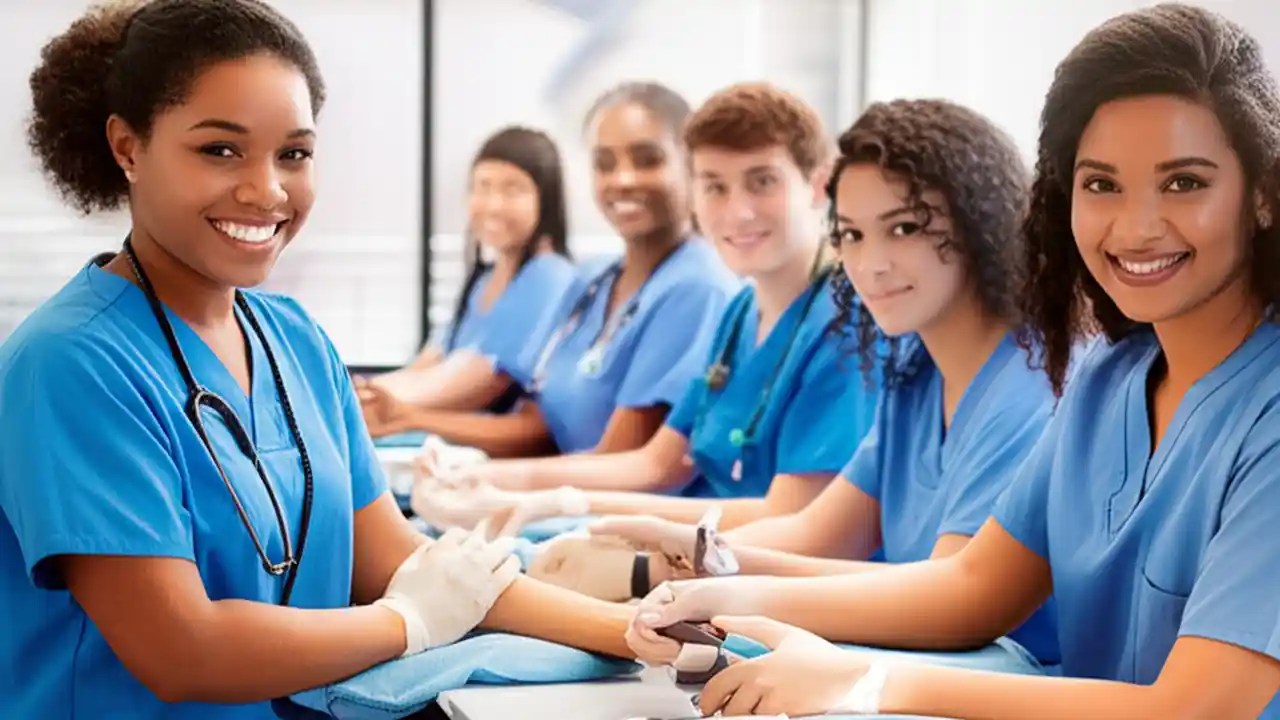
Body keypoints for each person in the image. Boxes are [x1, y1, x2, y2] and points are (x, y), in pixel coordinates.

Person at [626, 5, 1280, 718]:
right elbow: (973, 589)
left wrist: (869, 683)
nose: (1137, 226)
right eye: (1101, 184)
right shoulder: (1108, 376)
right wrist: (723, 591)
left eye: (1184, 183)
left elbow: (1194, 709)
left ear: (1263, 195)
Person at [0, 3, 634, 717]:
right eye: (220, 150)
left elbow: (396, 561)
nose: (267, 190)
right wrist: (405, 624)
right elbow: (181, 650)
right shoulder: (69, 365)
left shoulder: (295, 341)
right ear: (128, 148)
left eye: (293, 155)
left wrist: (640, 630)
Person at [589, 96, 1059, 663]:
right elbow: (820, 532)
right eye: (852, 235)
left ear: (981, 224)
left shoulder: (1029, 385)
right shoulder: (915, 373)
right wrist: (701, 555)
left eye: (904, 228)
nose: (870, 265)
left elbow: (951, 597)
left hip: (995, 673)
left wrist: (736, 590)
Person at [410, 83, 880, 543]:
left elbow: (790, 516)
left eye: (762, 182)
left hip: (755, 569)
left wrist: (566, 504)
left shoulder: (845, 323)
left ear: (819, 185)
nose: (737, 212)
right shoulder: (742, 313)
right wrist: (491, 480)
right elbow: (656, 463)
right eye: (714, 187)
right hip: (705, 552)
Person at [360, 81, 740, 458]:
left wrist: (482, 477)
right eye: (604, 164)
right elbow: (537, 429)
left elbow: (622, 463)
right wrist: (404, 418)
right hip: (553, 487)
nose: (623, 179)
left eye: (648, 160)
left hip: (598, 494)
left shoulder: (696, 289)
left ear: (692, 165)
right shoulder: (592, 281)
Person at [363, 126, 578, 415]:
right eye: (483, 187)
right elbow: (428, 364)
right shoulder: (483, 280)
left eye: (512, 190)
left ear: (546, 200)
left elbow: (481, 386)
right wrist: (357, 392)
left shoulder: (550, 276)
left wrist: (368, 402)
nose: (493, 205)